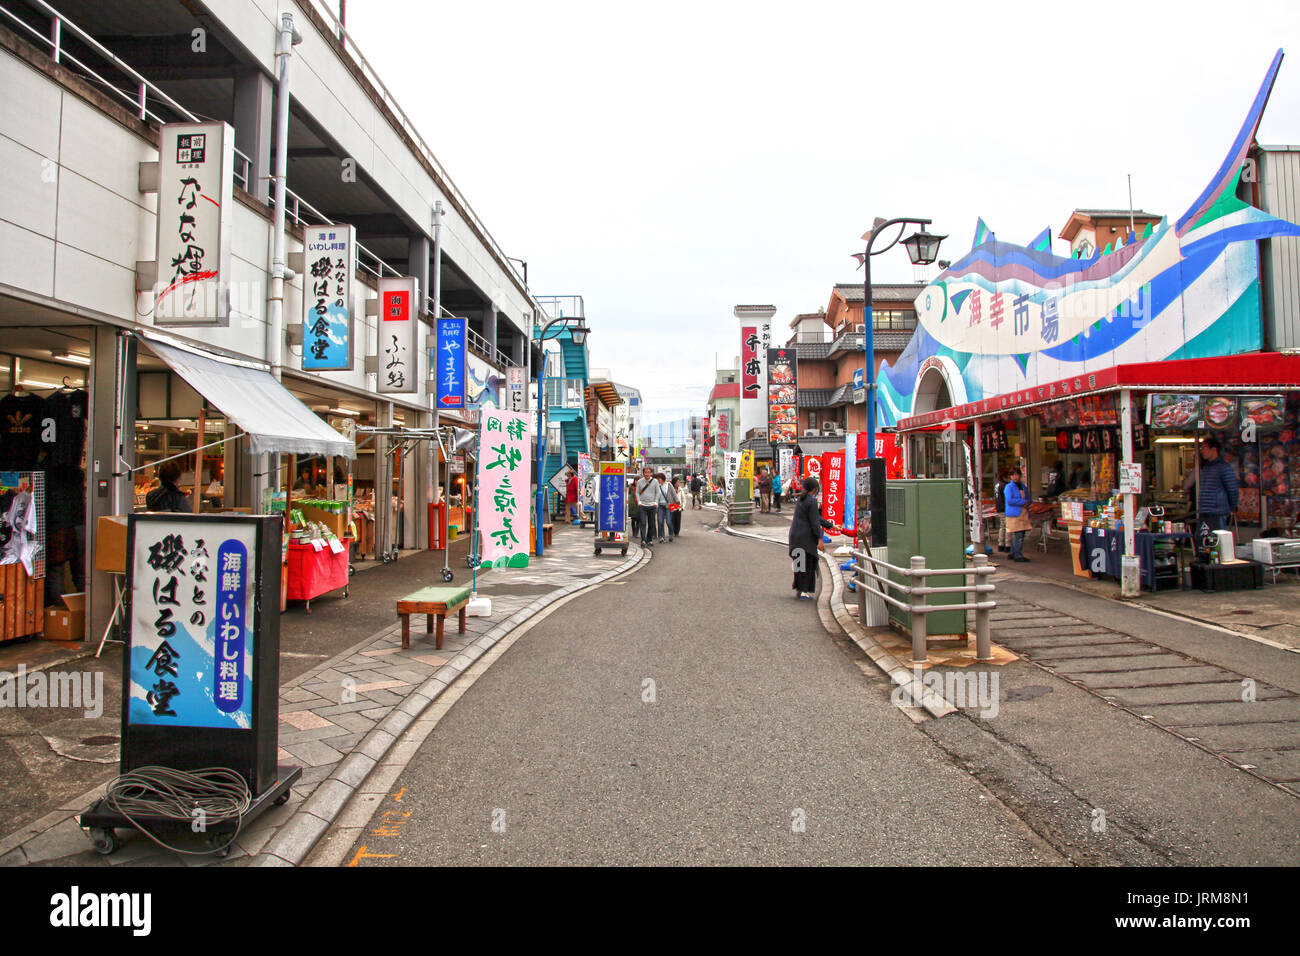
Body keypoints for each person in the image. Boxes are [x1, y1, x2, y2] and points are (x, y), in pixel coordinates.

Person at [788, 476, 833, 600]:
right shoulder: (811, 501)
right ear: (814, 489)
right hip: (805, 539)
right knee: (807, 566)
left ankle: (799, 589)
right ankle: (803, 591)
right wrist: (819, 539)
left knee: (799, 565)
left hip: (795, 537)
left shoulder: (801, 500)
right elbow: (814, 521)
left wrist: (831, 525)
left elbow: (816, 518)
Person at [1196, 435, 1239, 536]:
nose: (1202, 451)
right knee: (1203, 541)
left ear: (1213, 449)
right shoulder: (1206, 468)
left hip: (1218, 512)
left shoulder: (1224, 467)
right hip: (1204, 511)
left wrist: (1232, 507)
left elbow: (1232, 489)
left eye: (1204, 448)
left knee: (1217, 541)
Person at [1003, 467, 1032, 562]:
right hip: (1014, 514)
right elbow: (1009, 500)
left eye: (1017, 474)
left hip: (1023, 513)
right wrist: (1022, 502)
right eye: (1013, 475)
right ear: (1010, 477)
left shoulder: (1023, 486)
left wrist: (1028, 502)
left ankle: (1012, 553)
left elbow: (1028, 497)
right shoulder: (1009, 487)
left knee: (1021, 534)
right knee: (1019, 535)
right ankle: (1018, 555)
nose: (1015, 477)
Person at [636, 466, 659, 547]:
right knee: (642, 522)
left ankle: (649, 539)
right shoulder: (639, 481)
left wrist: (656, 502)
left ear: (651, 473)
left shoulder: (655, 481)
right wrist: (639, 501)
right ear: (643, 473)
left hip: (652, 505)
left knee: (651, 523)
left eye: (648, 472)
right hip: (642, 505)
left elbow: (657, 493)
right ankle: (643, 540)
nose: (647, 474)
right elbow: (637, 492)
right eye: (645, 472)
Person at [655, 472, 678, 543]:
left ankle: (671, 533)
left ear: (661, 479)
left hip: (668, 505)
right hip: (660, 506)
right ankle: (662, 537)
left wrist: (677, 501)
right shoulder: (657, 486)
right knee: (660, 521)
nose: (657, 480)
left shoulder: (669, 485)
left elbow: (674, 493)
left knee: (668, 521)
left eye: (658, 479)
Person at [993, 469, 1009, 553]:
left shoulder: (997, 485)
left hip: (999, 507)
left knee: (1002, 526)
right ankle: (1007, 545)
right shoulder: (1005, 485)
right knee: (1007, 527)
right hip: (1005, 508)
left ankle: (1000, 544)